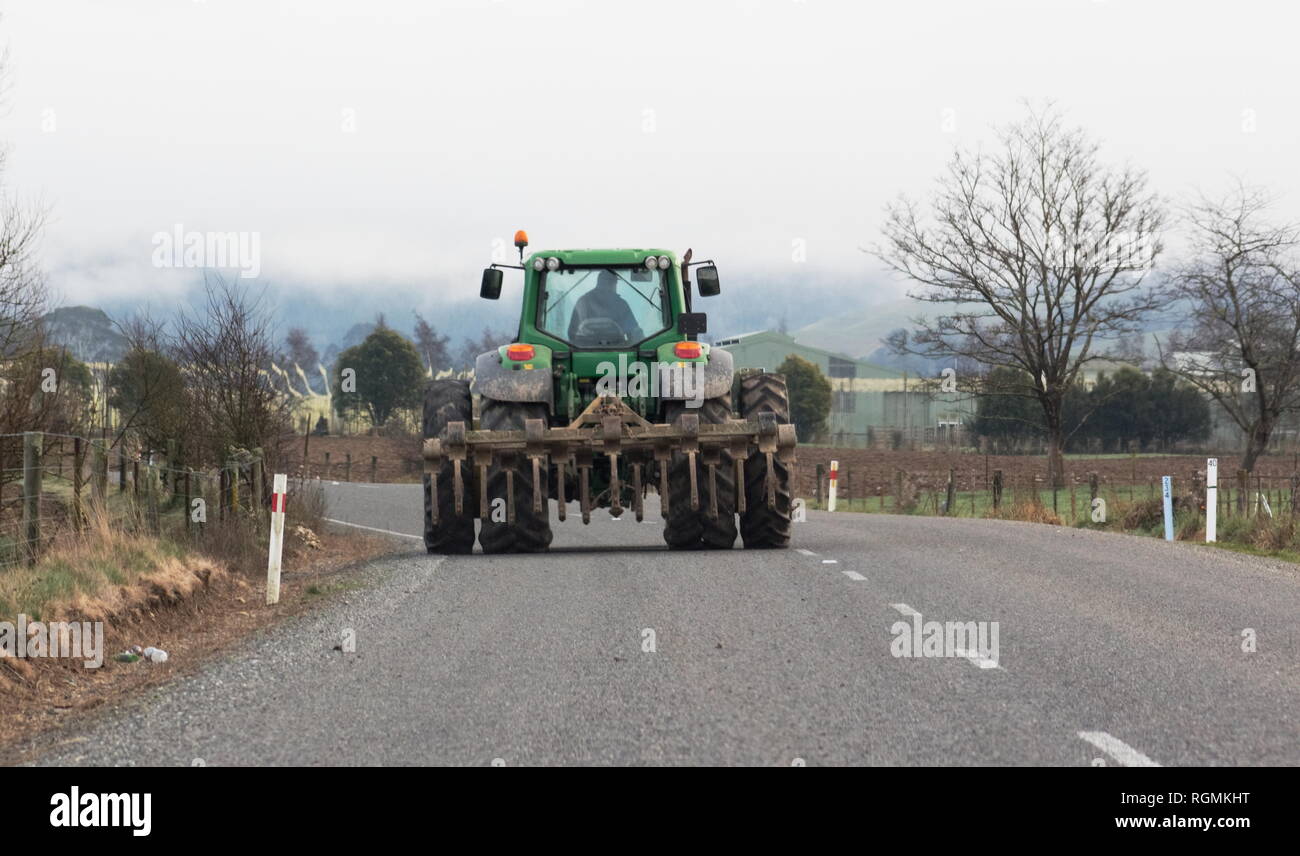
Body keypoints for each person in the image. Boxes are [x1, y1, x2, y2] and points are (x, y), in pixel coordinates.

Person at [568, 269, 644, 344]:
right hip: (618, 353)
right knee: (625, 355)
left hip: (583, 353)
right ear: (613, 284)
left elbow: (572, 334)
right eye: (615, 283)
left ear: (599, 282)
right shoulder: (621, 304)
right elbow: (634, 333)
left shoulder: (582, 302)